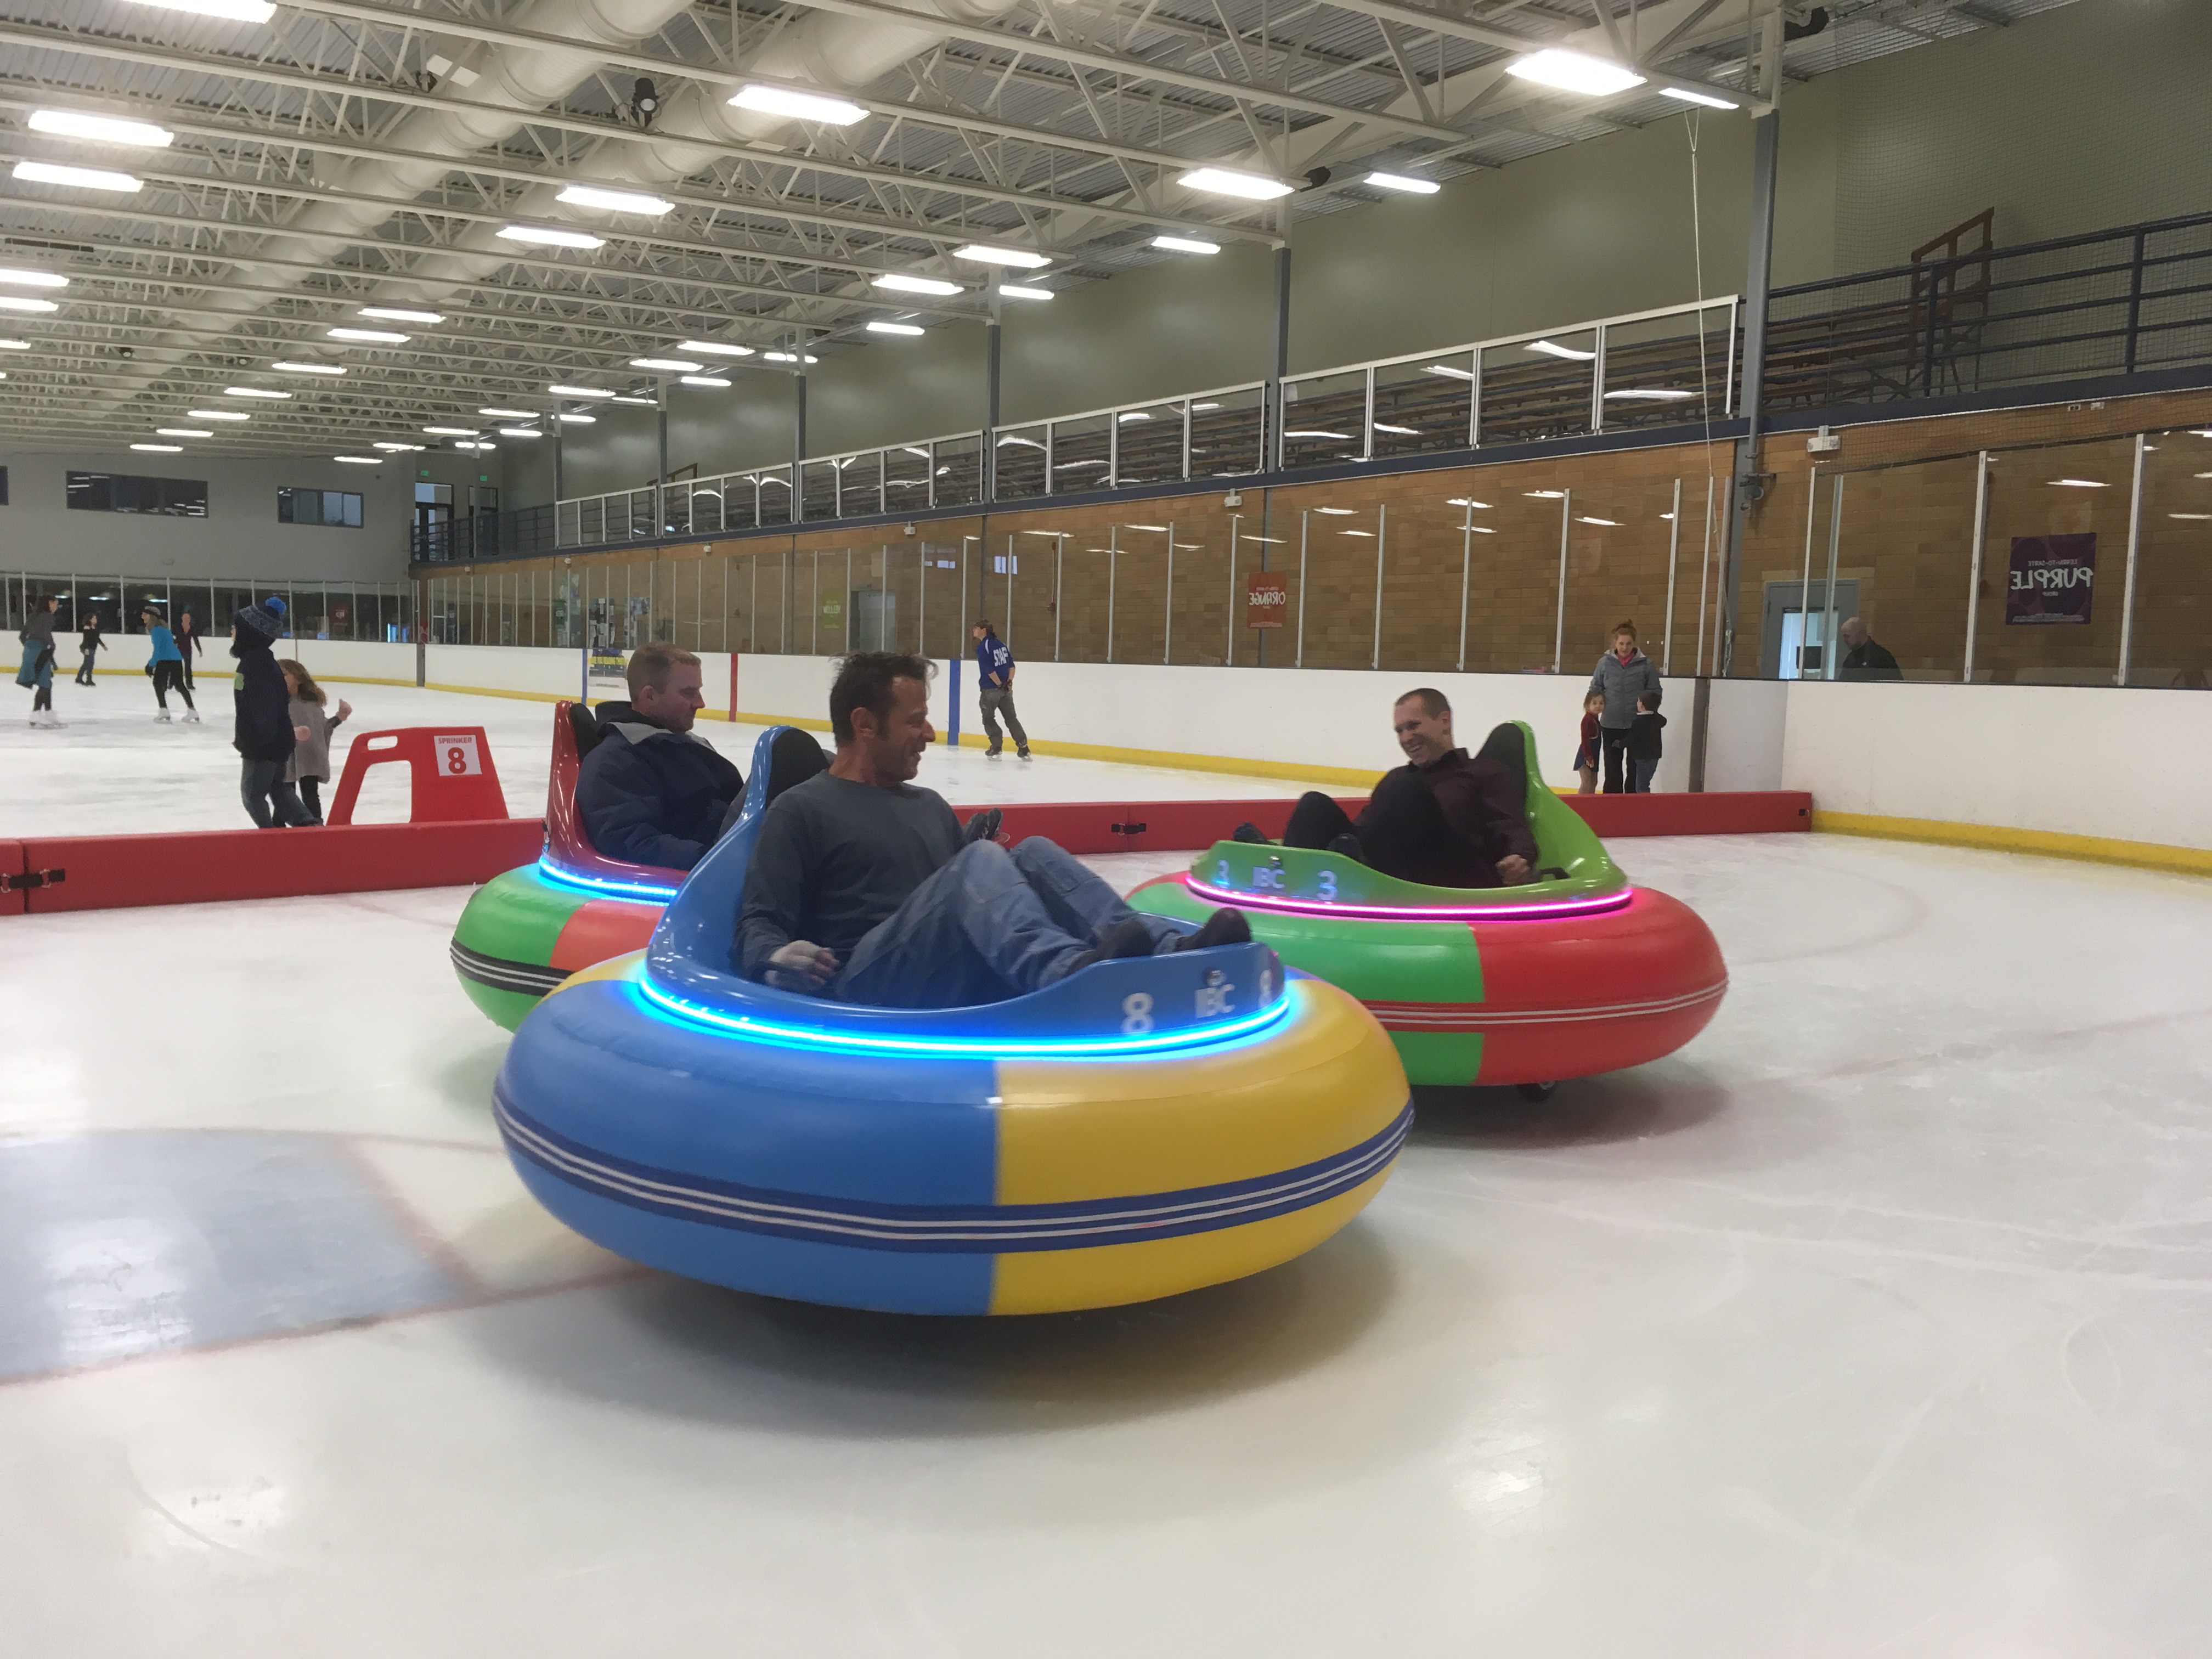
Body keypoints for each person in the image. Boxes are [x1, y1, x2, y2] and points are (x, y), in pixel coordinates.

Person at [737, 651, 1248, 1009]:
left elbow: (951, 898)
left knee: (1033, 851)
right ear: (866, 725)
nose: (930, 734)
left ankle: (1167, 952)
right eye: (916, 721)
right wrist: (773, 957)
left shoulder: (929, 805)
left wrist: (983, 857)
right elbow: (759, 918)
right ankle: (1066, 977)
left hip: (940, 964)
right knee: (981, 861)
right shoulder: (801, 808)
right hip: (864, 981)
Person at [1262, 689, 1536, 889]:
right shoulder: (1395, 779)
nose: (1407, 738)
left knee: (1409, 791)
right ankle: (1280, 870)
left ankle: (1357, 869)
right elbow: (1364, 829)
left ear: (1444, 721)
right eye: (1400, 731)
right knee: (1314, 805)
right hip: (1389, 866)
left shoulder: (1484, 772)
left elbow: (1511, 825)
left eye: (1414, 726)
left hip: (1454, 874)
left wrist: (1520, 857)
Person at [575, 641, 742, 870]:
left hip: (735, 844)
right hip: (714, 865)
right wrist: (718, 861)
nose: (700, 703)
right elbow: (630, 842)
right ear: (650, 695)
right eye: (688, 693)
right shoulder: (615, 760)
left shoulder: (681, 742)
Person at [232, 597, 312, 828]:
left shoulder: (254, 665)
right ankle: (308, 827)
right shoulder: (263, 662)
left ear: (250, 633)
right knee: (278, 789)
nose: (233, 633)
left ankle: (269, 840)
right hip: (276, 741)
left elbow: (260, 709)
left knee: (252, 795)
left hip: (264, 745)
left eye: (237, 628)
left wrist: (255, 744)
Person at [1587, 620, 1661, 795]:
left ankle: (1632, 808)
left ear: (1634, 644)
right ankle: (1612, 808)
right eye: (1621, 643)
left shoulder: (1646, 665)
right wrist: (1593, 709)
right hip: (1610, 724)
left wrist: (1647, 709)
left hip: (1637, 726)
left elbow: (1655, 691)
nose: (1625, 647)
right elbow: (1595, 688)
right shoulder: (1604, 663)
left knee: (1634, 770)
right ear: (1615, 643)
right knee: (1612, 771)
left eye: (1628, 644)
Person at [282, 660, 352, 823]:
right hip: (284, 757)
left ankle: (316, 826)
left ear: (298, 679)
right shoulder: (277, 702)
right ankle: (278, 830)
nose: (278, 678)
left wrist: (339, 718)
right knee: (285, 795)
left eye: (284, 674)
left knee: (310, 793)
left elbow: (322, 730)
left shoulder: (310, 704)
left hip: (308, 756)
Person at [971, 619, 1031, 761]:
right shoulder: (1002, 645)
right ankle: (1024, 748)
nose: (973, 630)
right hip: (1006, 690)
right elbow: (1012, 665)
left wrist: (999, 684)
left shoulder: (983, 648)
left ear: (984, 630)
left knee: (988, 718)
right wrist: (1009, 683)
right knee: (1011, 718)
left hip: (991, 689)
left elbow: (989, 670)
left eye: (976, 628)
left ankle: (996, 747)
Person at [142, 607, 200, 724]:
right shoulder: (164, 629)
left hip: (165, 660)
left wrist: (150, 665)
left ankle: (164, 710)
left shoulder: (156, 630)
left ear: (151, 616)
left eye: (145, 614)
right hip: (176, 659)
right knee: (180, 685)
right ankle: (192, 710)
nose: (142, 616)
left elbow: (158, 650)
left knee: (157, 683)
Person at [17, 594, 61, 727]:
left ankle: (48, 712)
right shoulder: (48, 617)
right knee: (45, 683)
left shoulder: (33, 616)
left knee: (47, 683)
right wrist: (51, 647)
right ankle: (36, 714)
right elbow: (45, 635)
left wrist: (31, 647)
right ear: (50, 603)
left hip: (31, 652)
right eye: (56, 603)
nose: (56, 607)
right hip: (41, 652)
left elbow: (22, 637)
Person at [1836, 616, 1903, 681]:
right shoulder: (1850, 659)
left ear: (1861, 634)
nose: (1844, 641)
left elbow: (1896, 685)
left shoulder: (1881, 657)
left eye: (1847, 636)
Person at [1628, 689, 1666, 793]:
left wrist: (1620, 743)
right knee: (1644, 782)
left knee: (1641, 784)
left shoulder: (1638, 722)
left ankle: (1644, 805)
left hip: (1642, 756)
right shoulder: (1657, 720)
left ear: (1642, 705)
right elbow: (1664, 721)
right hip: (1654, 755)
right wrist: (1654, 711)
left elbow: (1632, 739)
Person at [1573, 690, 1604, 795]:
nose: (1598, 706)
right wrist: (1588, 756)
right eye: (1594, 703)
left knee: (1593, 782)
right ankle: (1578, 805)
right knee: (1586, 782)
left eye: (1601, 703)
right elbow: (1585, 739)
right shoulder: (1587, 720)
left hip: (1594, 755)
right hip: (1586, 755)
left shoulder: (1595, 719)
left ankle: (1590, 805)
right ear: (1587, 705)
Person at [175, 608, 201, 690]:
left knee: (188, 668)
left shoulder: (192, 628)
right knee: (176, 668)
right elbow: (175, 639)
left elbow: (195, 639)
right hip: (178, 650)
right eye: (185, 618)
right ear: (182, 619)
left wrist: (199, 649)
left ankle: (189, 684)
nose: (186, 619)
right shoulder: (178, 627)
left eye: (188, 618)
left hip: (187, 650)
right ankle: (173, 683)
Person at [74, 614, 103, 686]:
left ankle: (79, 678)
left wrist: (103, 645)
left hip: (92, 648)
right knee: (90, 664)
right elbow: (86, 639)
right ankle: (89, 680)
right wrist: (86, 649)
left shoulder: (95, 628)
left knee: (87, 663)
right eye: (94, 618)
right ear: (90, 620)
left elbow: (97, 638)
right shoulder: (87, 628)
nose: (96, 619)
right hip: (86, 648)